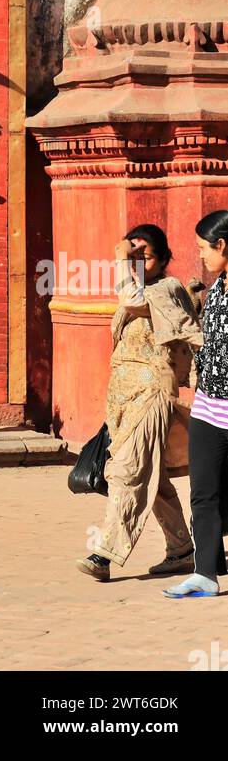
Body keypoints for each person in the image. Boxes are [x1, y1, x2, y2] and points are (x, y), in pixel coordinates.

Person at [76, 225, 202, 583]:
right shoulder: (135, 290)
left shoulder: (167, 289)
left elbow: (132, 299)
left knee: (127, 471)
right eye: (132, 255)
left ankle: (104, 553)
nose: (134, 261)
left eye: (143, 255)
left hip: (152, 395)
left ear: (162, 259)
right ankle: (182, 551)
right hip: (123, 397)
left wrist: (119, 260)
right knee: (154, 476)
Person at [165, 210, 228, 598]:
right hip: (208, 406)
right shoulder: (217, 286)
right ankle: (206, 570)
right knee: (203, 490)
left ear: (223, 246)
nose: (201, 257)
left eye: (206, 249)